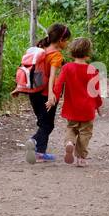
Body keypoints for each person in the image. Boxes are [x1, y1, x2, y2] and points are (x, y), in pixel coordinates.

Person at [53, 37, 104, 167]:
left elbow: (58, 85)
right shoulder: (92, 70)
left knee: (71, 128)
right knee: (85, 133)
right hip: (87, 108)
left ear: (72, 52)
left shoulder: (67, 67)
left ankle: (69, 143)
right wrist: (98, 105)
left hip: (71, 107)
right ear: (88, 53)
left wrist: (54, 98)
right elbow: (95, 91)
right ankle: (81, 158)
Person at [26, 23, 70, 163]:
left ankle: (40, 151)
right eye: (67, 40)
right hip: (46, 95)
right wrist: (51, 95)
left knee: (43, 122)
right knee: (48, 125)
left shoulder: (40, 49)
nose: (67, 43)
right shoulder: (56, 55)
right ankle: (35, 143)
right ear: (60, 40)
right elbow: (52, 76)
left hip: (33, 93)